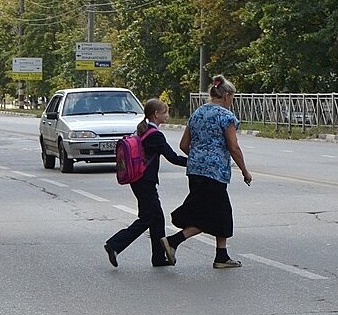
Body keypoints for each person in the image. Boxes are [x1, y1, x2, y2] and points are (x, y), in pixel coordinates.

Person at [163, 75, 253, 268]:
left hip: (195, 171)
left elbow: (184, 145)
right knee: (210, 214)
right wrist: (245, 171)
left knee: (220, 213)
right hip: (215, 174)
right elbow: (233, 147)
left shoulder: (197, 113)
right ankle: (173, 241)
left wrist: (198, 157)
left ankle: (221, 256)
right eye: (233, 98)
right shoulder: (226, 116)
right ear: (227, 95)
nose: (232, 102)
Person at [104, 98, 188, 268]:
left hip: (138, 180)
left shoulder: (142, 130)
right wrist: (195, 162)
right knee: (147, 218)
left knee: (157, 218)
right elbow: (172, 157)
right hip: (145, 181)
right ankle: (115, 244)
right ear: (156, 114)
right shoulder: (155, 135)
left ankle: (158, 258)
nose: (167, 115)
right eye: (165, 112)